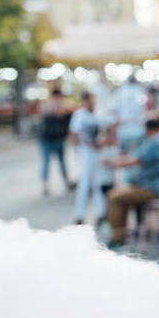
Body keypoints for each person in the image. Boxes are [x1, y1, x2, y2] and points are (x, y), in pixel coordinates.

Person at [103, 112, 159, 248]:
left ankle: (117, 239)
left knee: (114, 197)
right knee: (118, 195)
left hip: (153, 188)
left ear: (147, 131)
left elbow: (136, 160)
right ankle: (120, 235)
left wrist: (112, 163)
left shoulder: (156, 141)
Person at [69, 92, 108, 225]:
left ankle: (101, 213)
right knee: (84, 184)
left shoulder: (94, 115)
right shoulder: (80, 115)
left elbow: (103, 132)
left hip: (94, 153)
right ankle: (79, 214)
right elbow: (74, 134)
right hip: (85, 153)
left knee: (97, 183)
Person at [37, 88, 73, 196]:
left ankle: (56, 183)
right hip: (50, 138)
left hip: (53, 138)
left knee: (55, 162)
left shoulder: (50, 105)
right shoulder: (52, 105)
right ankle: (48, 185)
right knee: (51, 162)